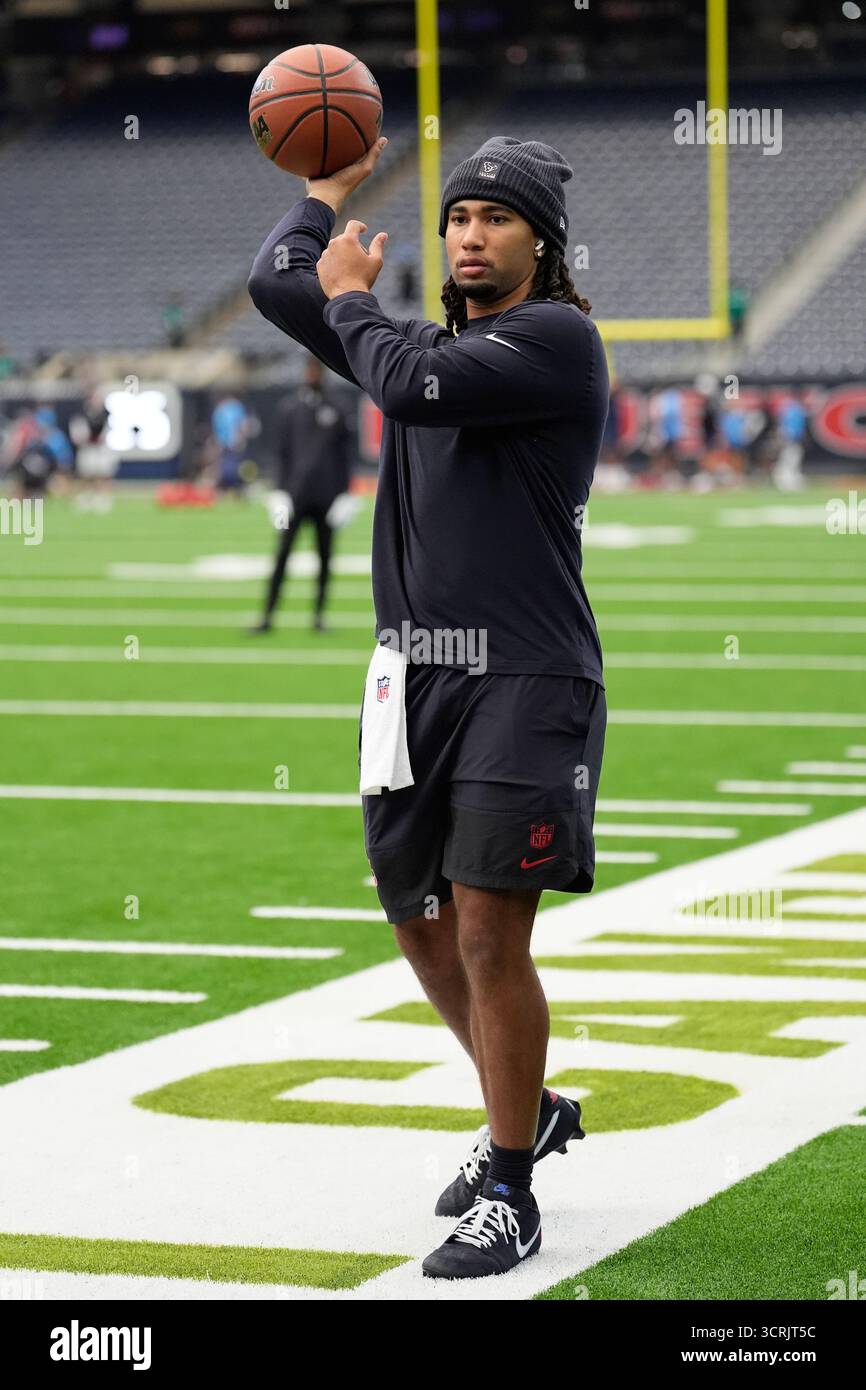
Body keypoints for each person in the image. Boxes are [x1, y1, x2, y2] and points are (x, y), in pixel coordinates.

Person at [248, 133, 608, 1280]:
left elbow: (402, 380)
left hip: (522, 672)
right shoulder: (421, 341)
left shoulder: (553, 339)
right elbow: (273, 280)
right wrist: (323, 191)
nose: (466, 233)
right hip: (409, 676)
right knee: (417, 919)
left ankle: (509, 1187)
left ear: (537, 244)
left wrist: (349, 299)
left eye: (493, 218)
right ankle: (530, 1103)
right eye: (455, 216)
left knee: (491, 926)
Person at [250, 355, 354, 633]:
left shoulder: (338, 407)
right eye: (309, 369)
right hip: (295, 496)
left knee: (325, 558)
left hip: (326, 497)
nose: (312, 374)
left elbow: (345, 455)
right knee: (282, 555)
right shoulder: (290, 408)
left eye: (316, 369)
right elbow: (282, 453)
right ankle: (267, 616)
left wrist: (345, 493)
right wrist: (279, 491)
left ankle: (319, 617)